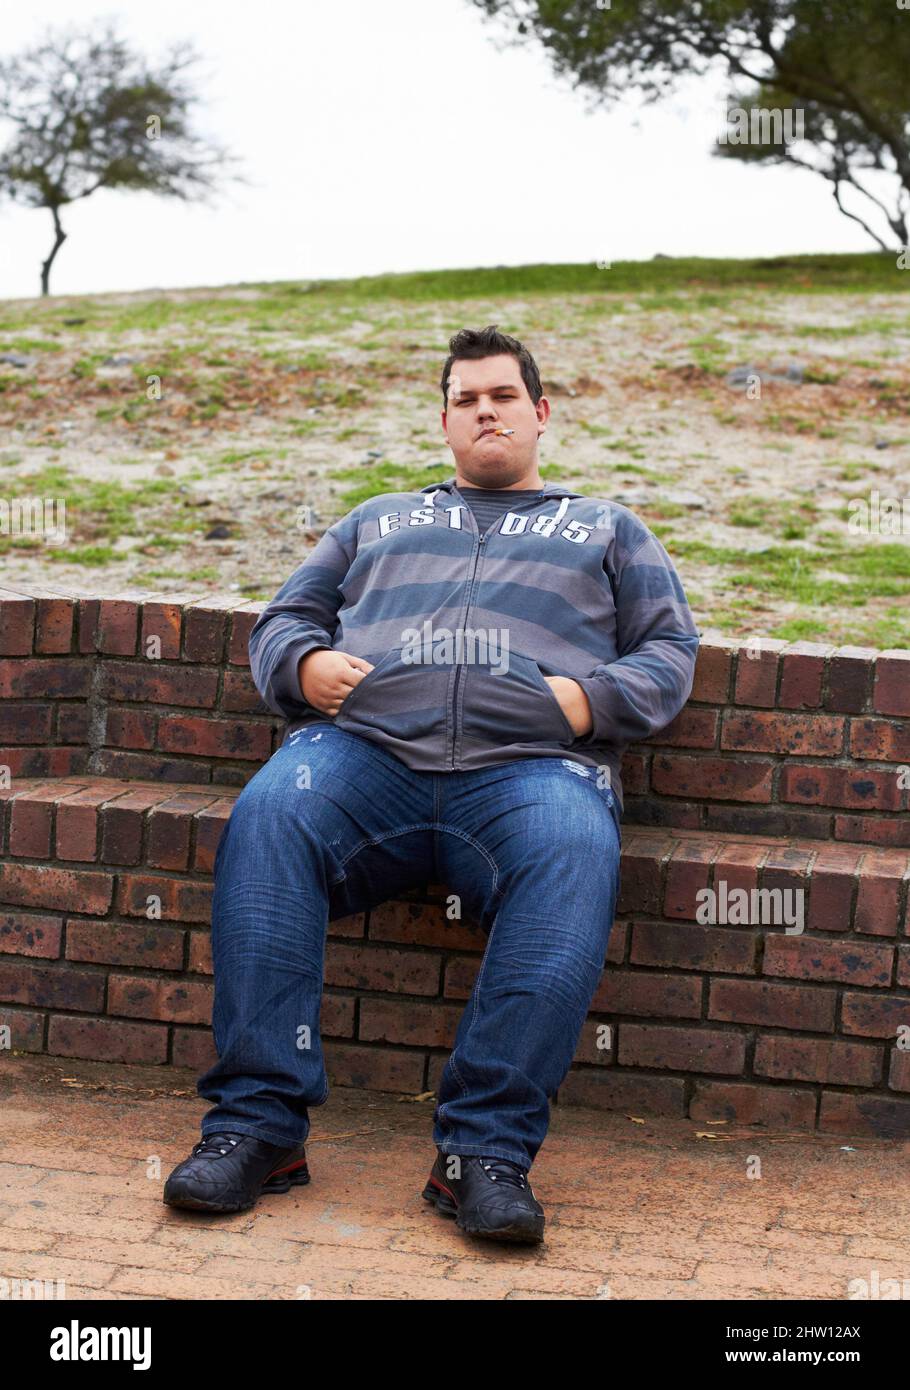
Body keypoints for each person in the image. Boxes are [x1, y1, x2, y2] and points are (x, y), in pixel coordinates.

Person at [163, 324, 700, 1244]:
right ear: (444, 421)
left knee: (574, 852)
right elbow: (284, 618)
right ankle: (255, 1128)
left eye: (502, 396)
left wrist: (586, 702)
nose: (484, 411)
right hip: (364, 758)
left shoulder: (608, 527)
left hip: (532, 771)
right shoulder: (378, 518)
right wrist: (303, 668)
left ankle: (482, 1153)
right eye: (465, 399)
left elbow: (670, 650)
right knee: (270, 817)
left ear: (540, 413)